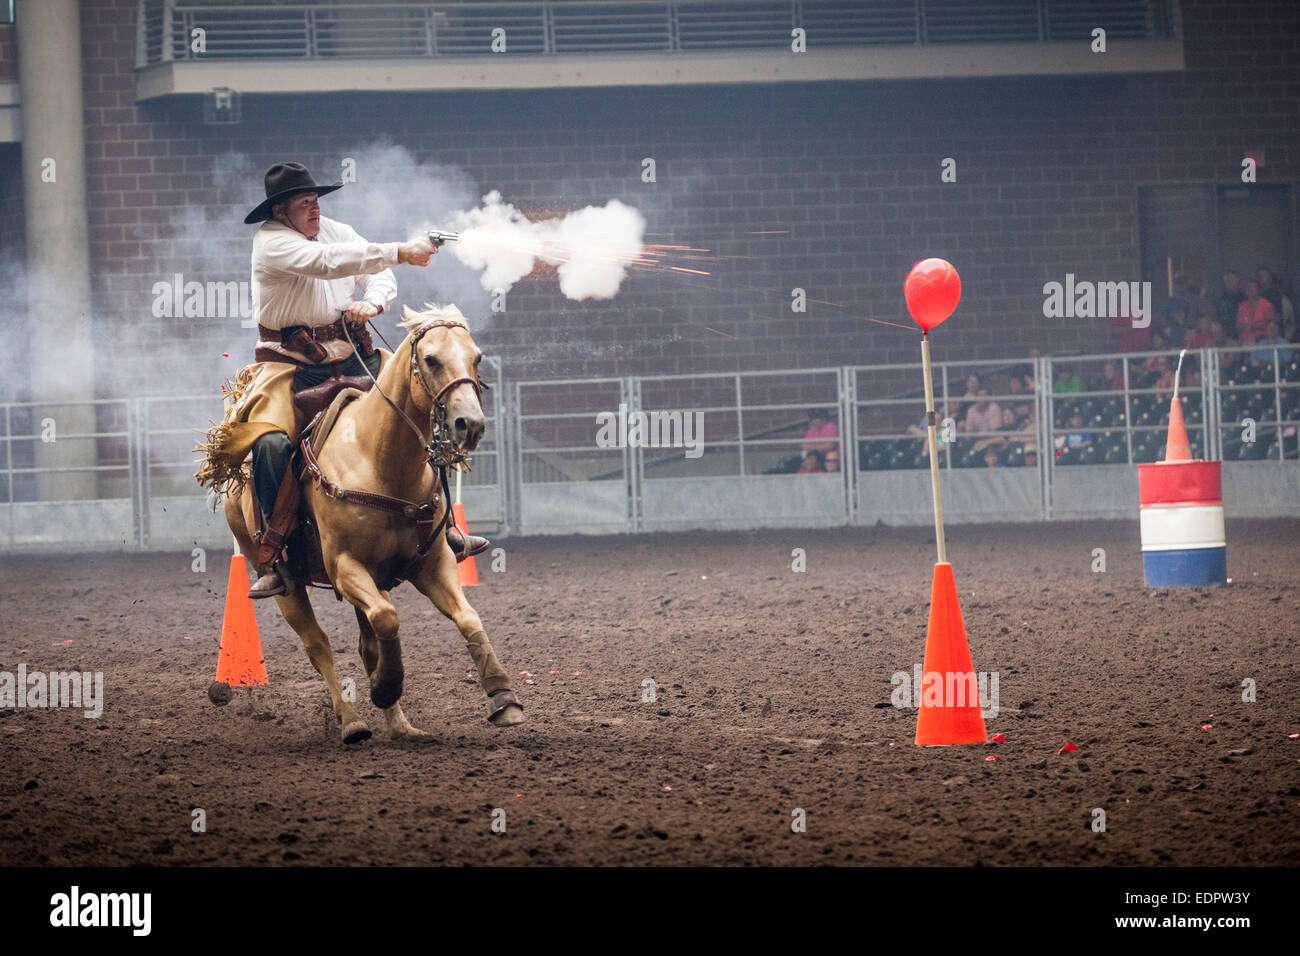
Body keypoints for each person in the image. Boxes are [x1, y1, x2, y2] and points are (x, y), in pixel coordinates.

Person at [228, 162, 489, 598]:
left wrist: (375, 301)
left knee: (421, 407)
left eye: (315, 201)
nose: (314, 210)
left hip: (356, 357)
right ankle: (277, 553)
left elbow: (373, 269)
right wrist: (402, 251)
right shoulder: (271, 243)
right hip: (291, 367)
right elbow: (327, 263)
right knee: (271, 444)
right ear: (280, 211)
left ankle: (445, 529)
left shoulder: (335, 228)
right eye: (303, 203)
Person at [801, 408, 840, 473]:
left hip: (830, 458)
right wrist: (819, 446)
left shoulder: (831, 427)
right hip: (817, 457)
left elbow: (829, 446)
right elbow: (804, 446)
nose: (813, 421)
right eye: (812, 418)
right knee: (806, 458)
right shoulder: (813, 429)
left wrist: (813, 447)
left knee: (814, 456)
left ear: (824, 418)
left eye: (815, 418)